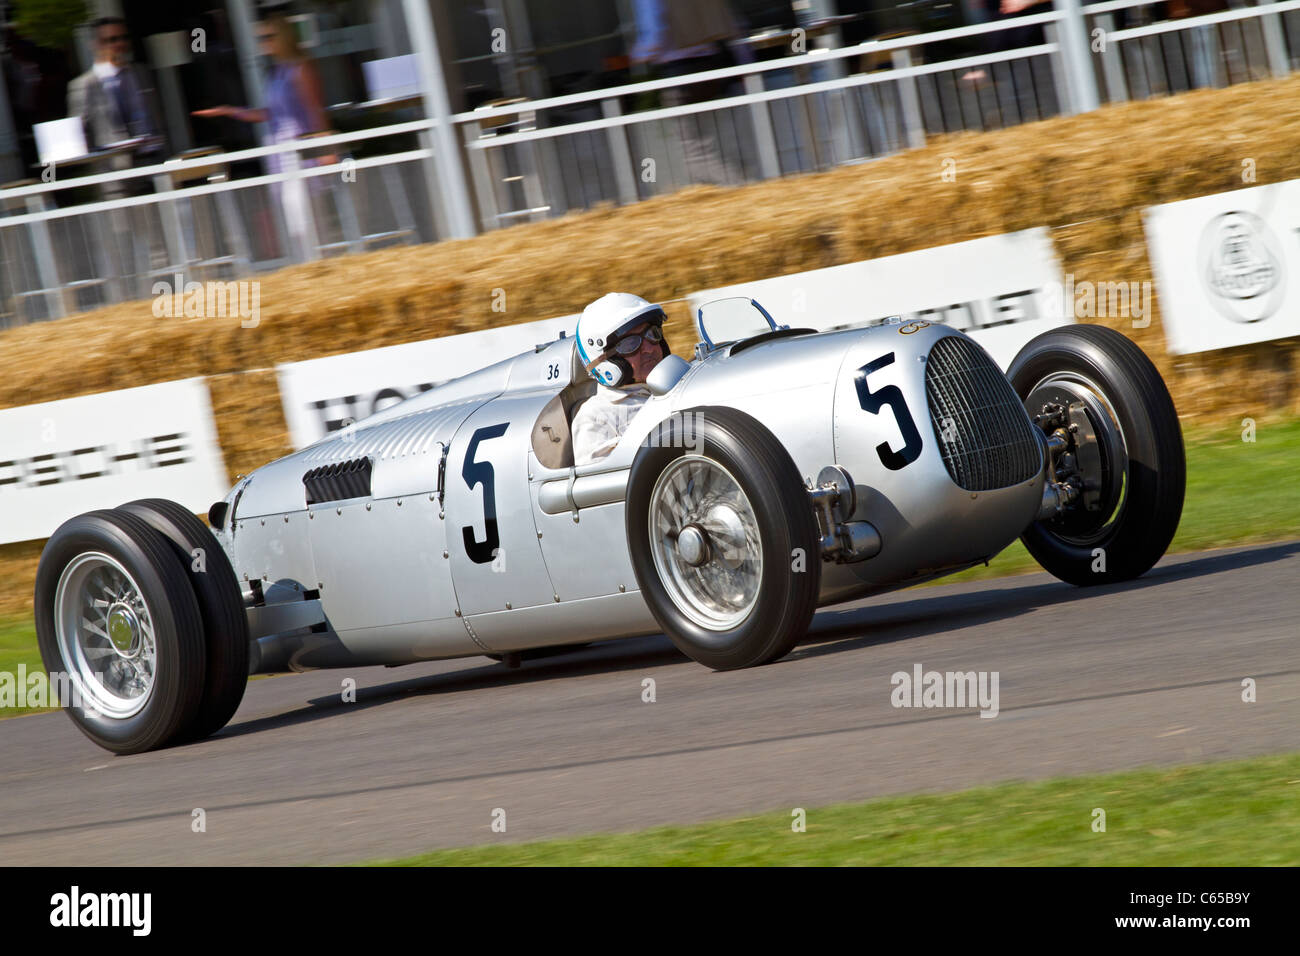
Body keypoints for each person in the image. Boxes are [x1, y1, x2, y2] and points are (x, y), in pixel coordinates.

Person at [192, 12, 329, 259]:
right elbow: (271, 113)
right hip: (281, 153)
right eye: (261, 37)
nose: (264, 42)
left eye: (269, 36)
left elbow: (314, 110)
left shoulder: (300, 68)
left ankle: (317, 267)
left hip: (300, 153)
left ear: (283, 36)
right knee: (294, 221)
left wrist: (325, 148)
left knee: (306, 221)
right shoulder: (277, 72)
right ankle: (308, 266)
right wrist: (231, 112)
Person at [571, 293, 674, 464]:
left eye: (652, 334)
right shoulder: (595, 416)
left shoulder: (683, 382)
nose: (649, 348)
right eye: (630, 344)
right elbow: (602, 486)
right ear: (606, 361)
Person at [66, 17, 164, 187]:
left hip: (154, 161)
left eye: (123, 38)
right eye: (111, 40)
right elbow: (77, 134)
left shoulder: (141, 73)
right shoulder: (84, 85)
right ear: (95, 44)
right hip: (115, 173)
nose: (119, 44)